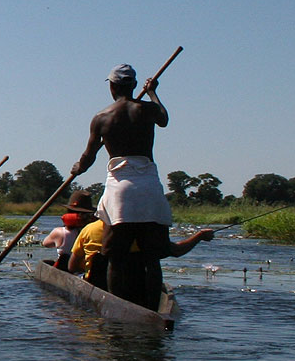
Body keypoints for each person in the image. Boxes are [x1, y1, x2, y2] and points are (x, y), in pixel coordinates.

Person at [69, 64, 174, 309]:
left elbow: (88, 157)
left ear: (112, 86)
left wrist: (77, 169)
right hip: (149, 185)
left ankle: (115, 308)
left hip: (120, 190)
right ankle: (150, 308)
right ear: (134, 85)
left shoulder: (102, 117)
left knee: (114, 256)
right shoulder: (147, 109)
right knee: (151, 257)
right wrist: (153, 93)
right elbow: (165, 120)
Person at [69, 218, 216, 297]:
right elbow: (176, 251)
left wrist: (89, 265)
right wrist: (199, 236)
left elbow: (71, 267)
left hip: (96, 285)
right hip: (135, 290)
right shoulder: (142, 232)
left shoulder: (88, 230)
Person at [42, 190, 99, 271]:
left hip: (66, 269)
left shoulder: (59, 232)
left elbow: (45, 244)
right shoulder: (92, 230)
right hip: (86, 271)